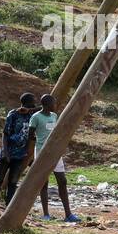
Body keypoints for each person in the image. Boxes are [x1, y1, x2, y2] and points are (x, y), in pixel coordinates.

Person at [29, 94, 80, 222]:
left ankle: (68, 214)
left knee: (62, 181)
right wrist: (42, 142)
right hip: (41, 152)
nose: (55, 105)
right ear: (47, 104)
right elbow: (30, 135)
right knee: (44, 183)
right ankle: (46, 214)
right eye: (54, 103)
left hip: (55, 152)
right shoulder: (36, 117)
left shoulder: (54, 116)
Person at [0, 93, 37, 205]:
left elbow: (44, 107)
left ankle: (8, 204)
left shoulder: (32, 114)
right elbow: (5, 134)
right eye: (32, 101)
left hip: (21, 153)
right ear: (26, 102)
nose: (34, 104)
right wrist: (5, 152)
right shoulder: (13, 114)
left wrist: (30, 109)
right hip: (9, 151)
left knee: (13, 181)